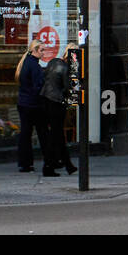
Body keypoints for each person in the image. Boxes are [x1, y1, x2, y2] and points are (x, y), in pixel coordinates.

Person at [40, 45, 77, 177]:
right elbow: (68, 88)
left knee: (57, 135)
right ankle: (48, 166)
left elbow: (44, 77)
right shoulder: (66, 68)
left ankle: (68, 165)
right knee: (55, 135)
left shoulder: (53, 62)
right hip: (56, 102)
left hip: (45, 100)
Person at [15, 38, 50, 172]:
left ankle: (25, 163)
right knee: (43, 134)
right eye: (41, 50)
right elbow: (38, 87)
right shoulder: (34, 66)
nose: (43, 53)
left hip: (24, 103)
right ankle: (49, 160)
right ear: (34, 50)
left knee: (25, 134)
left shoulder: (26, 62)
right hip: (34, 105)